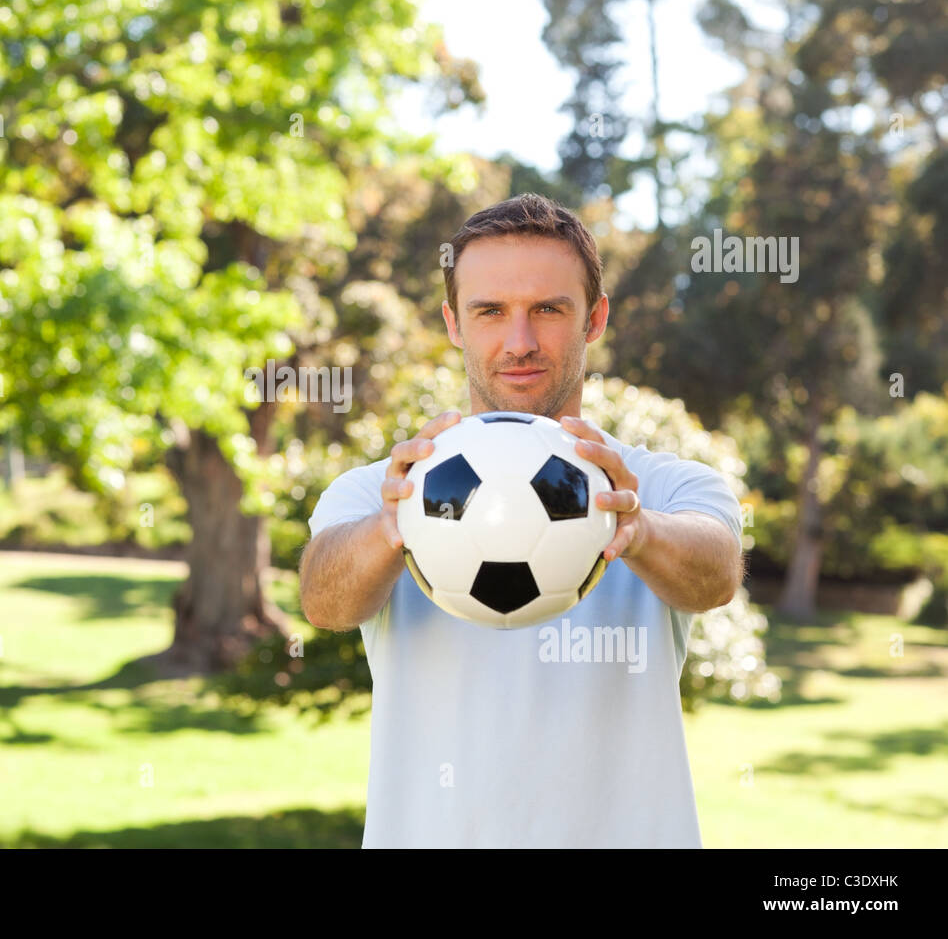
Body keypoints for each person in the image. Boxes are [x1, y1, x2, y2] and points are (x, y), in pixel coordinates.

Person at [299, 193, 745, 848]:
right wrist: (389, 528)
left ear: (594, 319)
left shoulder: (660, 487)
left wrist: (641, 530)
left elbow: (717, 576)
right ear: (454, 323)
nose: (520, 342)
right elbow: (323, 600)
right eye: (490, 311)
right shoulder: (386, 489)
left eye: (547, 310)